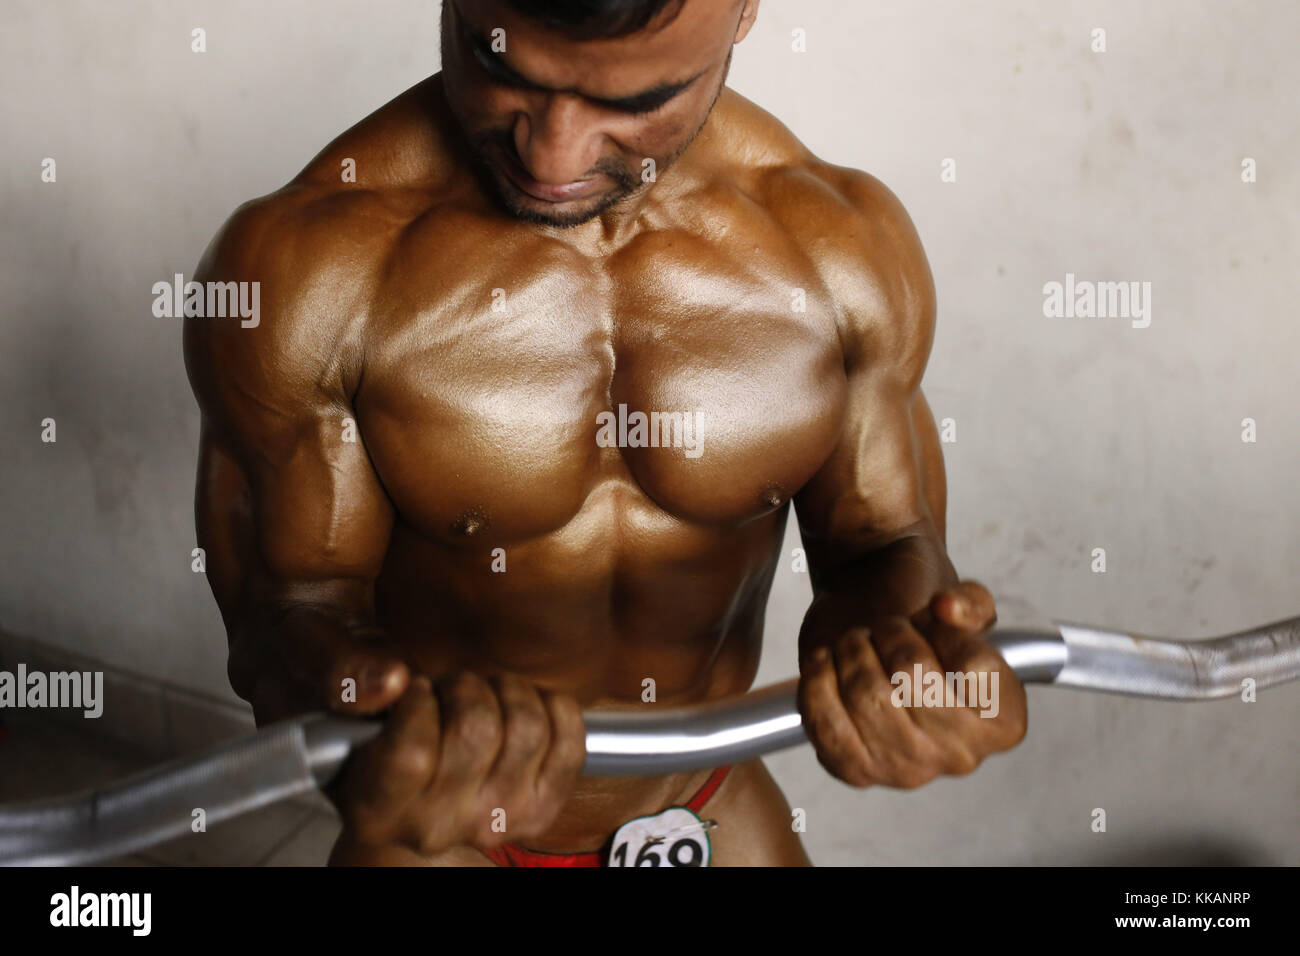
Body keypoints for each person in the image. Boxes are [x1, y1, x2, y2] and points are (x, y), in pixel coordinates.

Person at [183, 0, 1027, 866]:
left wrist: (903, 662)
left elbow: (883, 543)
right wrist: (364, 719)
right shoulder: (306, 265)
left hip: (700, 798)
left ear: (744, 12)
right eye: (499, 64)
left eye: (636, 100)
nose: (552, 157)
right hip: (442, 831)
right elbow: (288, 615)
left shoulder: (839, 249)